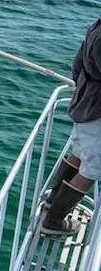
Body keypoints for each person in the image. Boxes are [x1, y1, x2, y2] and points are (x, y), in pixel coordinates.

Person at [40, 17, 101, 235]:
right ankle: (53, 222)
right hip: (98, 110)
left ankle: (54, 199)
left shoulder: (97, 25)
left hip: (84, 102)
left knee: (79, 151)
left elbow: (78, 65)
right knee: (93, 167)